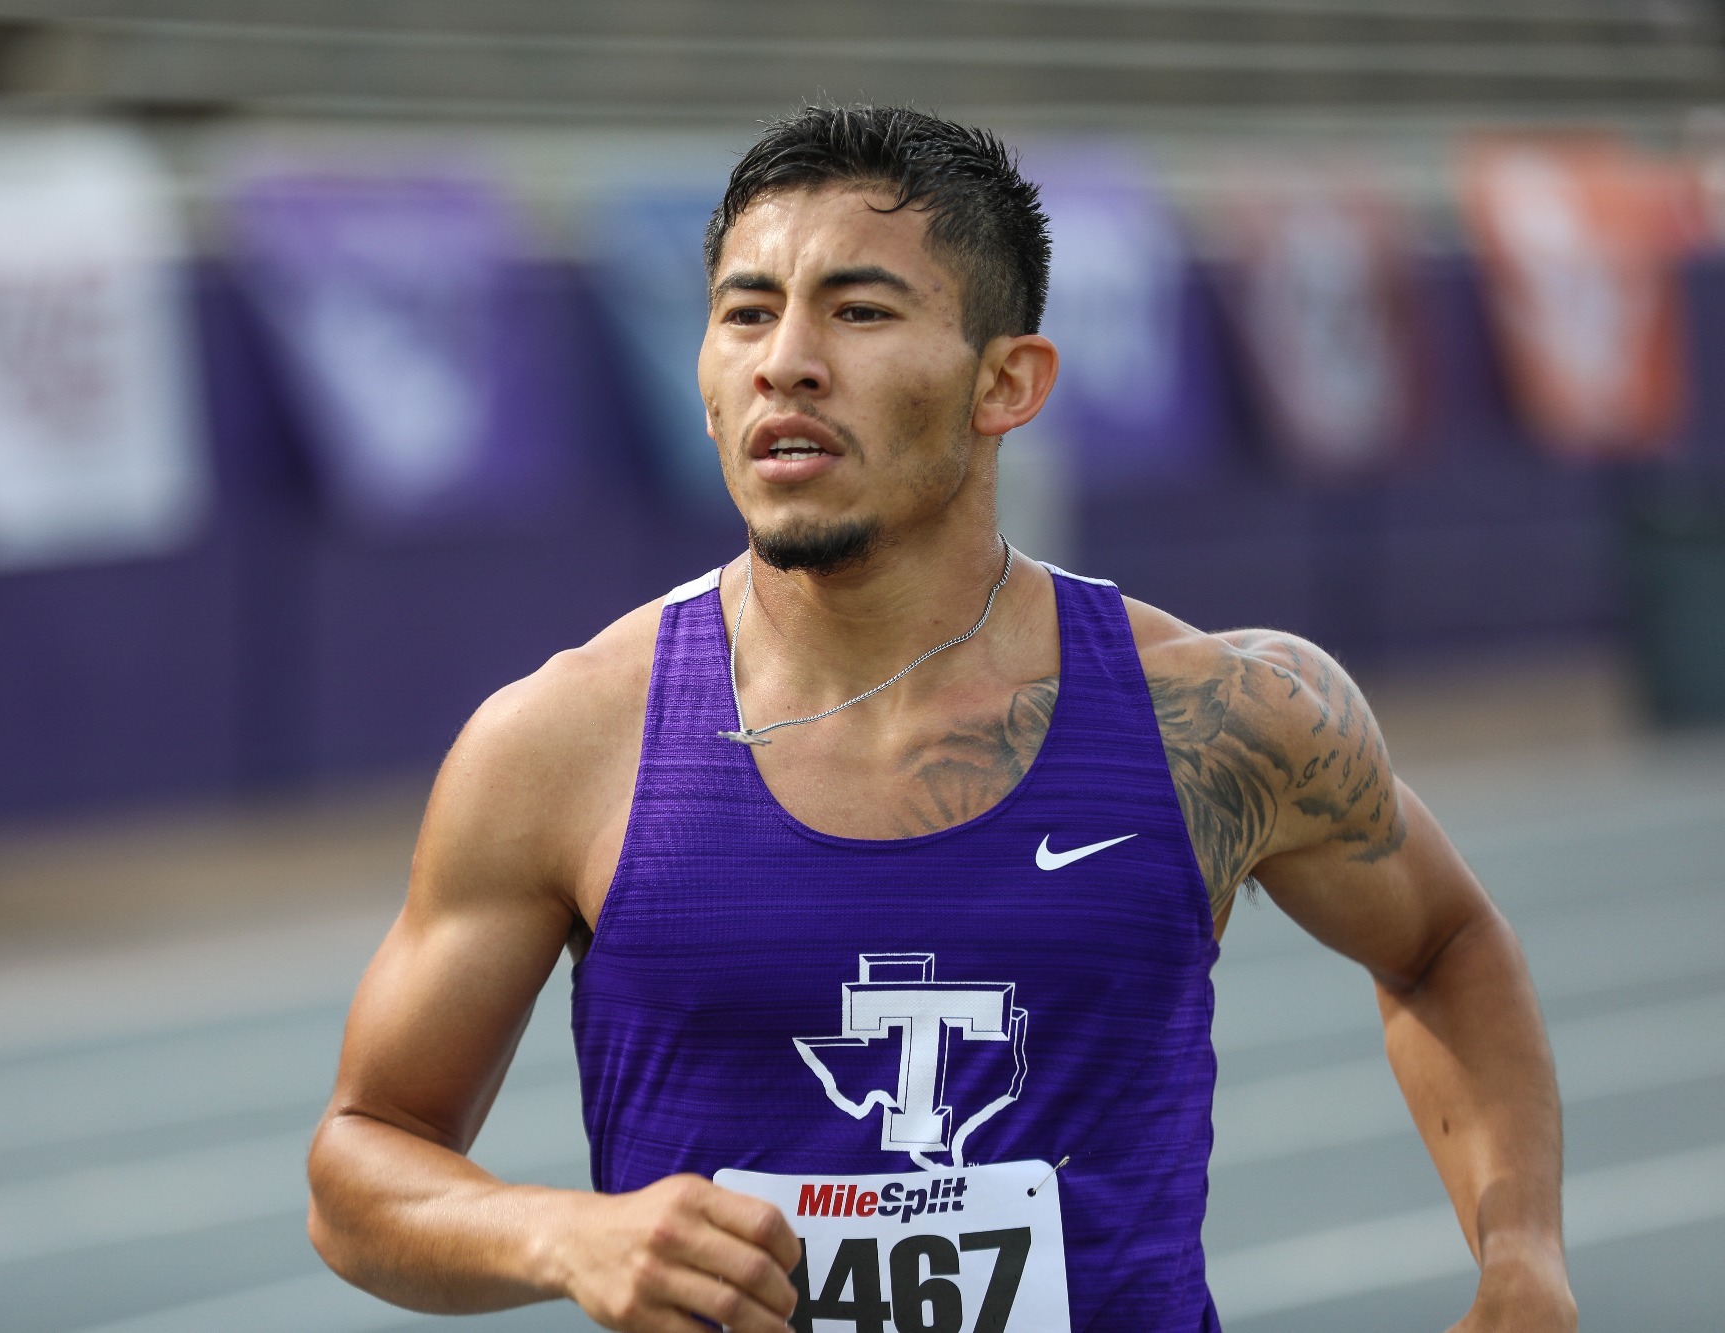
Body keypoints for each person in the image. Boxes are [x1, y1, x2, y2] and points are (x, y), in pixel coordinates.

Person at [307, 105, 1575, 1332]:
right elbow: (362, 1160)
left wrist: (1518, 1261)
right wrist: (565, 1235)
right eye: (744, 312)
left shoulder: (1222, 714)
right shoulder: (562, 741)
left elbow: (1445, 944)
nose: (783, 358)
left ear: (1004, 383)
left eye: (858, 310)